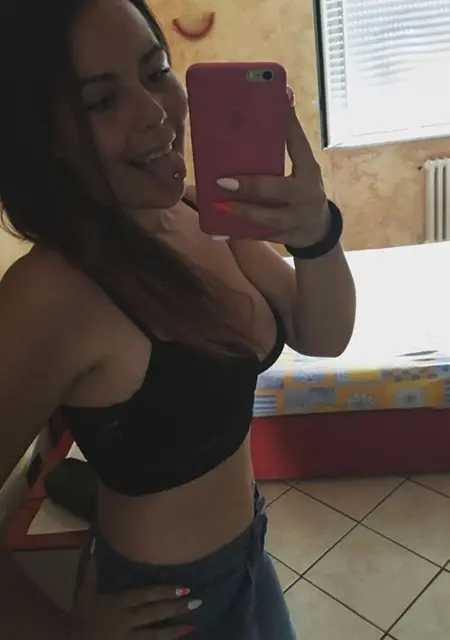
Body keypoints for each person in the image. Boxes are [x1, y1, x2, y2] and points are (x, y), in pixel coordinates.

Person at [0, 0, 356, 638]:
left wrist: (317, 235)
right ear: (44, 134)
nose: (156, 111)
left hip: (250, 560)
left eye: (155, 70)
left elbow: (322, 336)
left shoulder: (198, 210)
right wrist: (62, 632)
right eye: (101, 101)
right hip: (166, 607)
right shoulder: (50, 293)